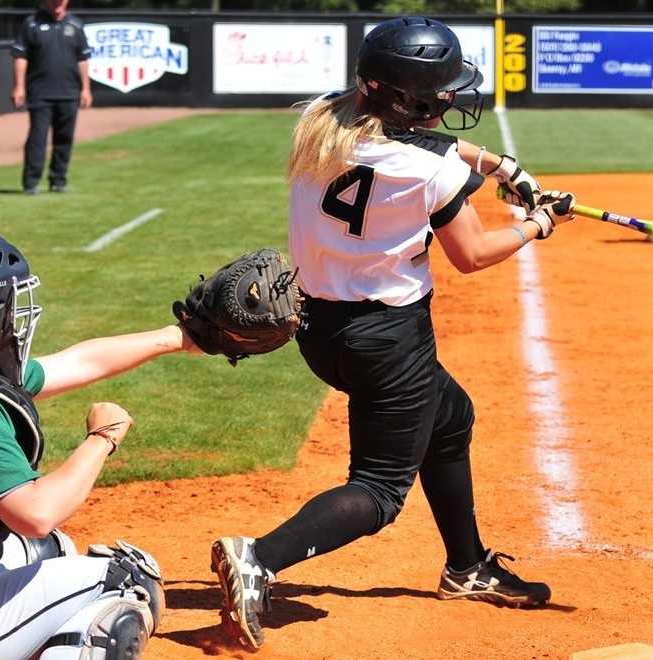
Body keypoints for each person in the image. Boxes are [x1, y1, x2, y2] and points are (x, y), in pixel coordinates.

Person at [210, 16, 575, 651]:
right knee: (378, 491)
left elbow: (421, 147)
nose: (453, 100)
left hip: (320, 328)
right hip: (388, 338)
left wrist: (499, 165)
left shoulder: (326, 119)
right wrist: (538, 223)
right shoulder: (424, 172)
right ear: (409, 99)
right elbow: (475, 253)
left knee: (451, 415)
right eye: (442, 92)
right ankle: (258, 558)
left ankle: (468, 567)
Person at [0, 227, 198, 658]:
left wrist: (179, 337)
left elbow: (81, 361)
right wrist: (102, 438)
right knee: (123, 581)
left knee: (47, 553)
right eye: (9, 303)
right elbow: (37, 512)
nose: (15, 315)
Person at [10, 0, 92, 195]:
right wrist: (19, 86)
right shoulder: (31, 24)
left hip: (69, 92)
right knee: (37, 139)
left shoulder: (76, 25)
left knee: (64, 138)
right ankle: (30, 182)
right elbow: (21, 56)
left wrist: (86, 88)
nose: (57, 3)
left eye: (61, 0)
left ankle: (58, 179)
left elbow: (82, 59)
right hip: (40, 92)